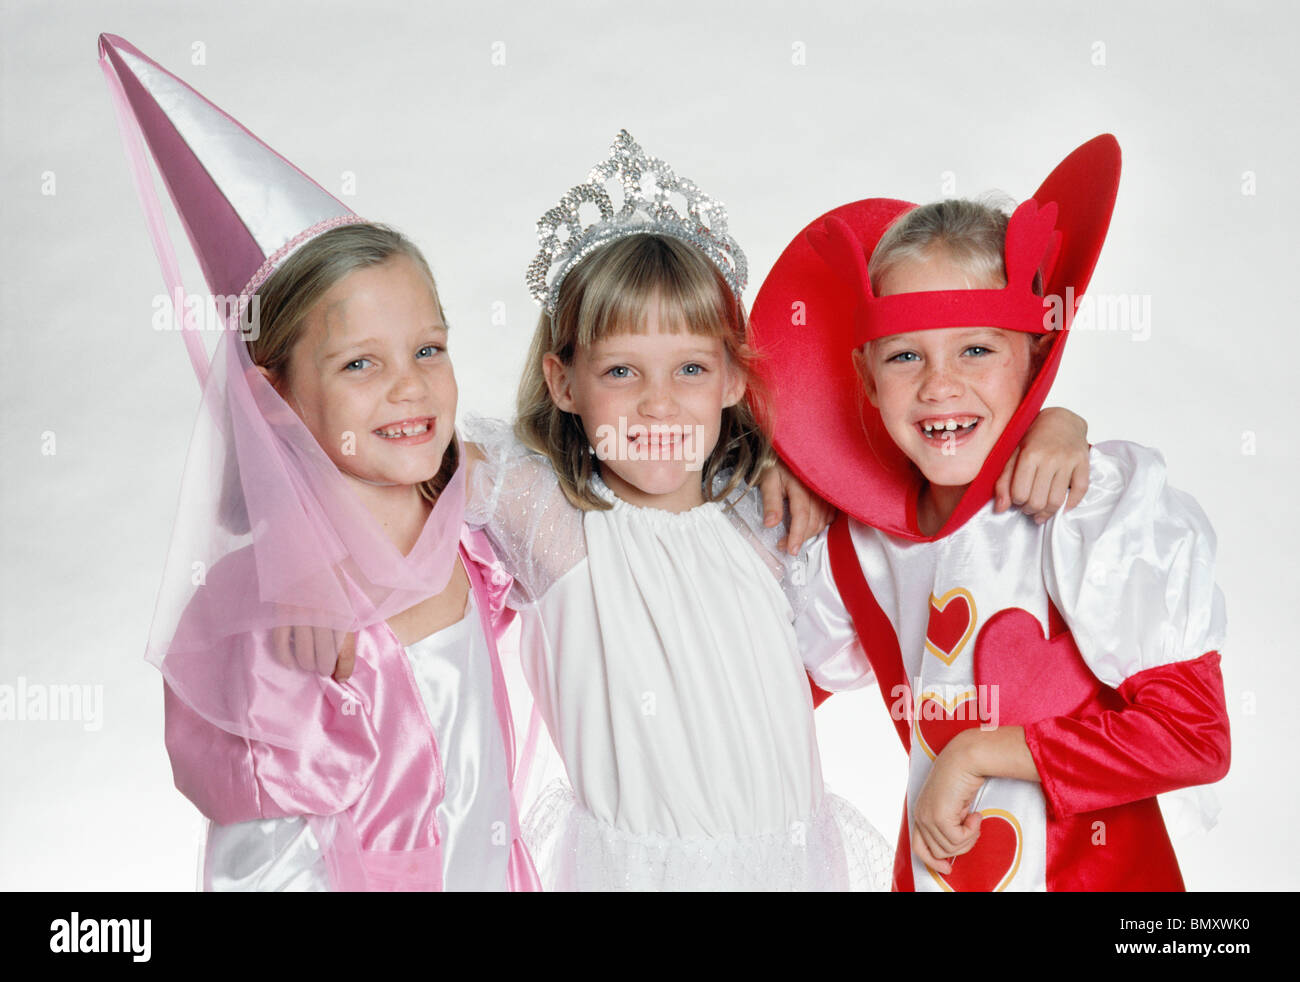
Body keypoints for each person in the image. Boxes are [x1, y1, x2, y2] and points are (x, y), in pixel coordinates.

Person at [451, 131, 1094, 890]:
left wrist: (1055, 421)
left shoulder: (770, 519)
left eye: (691, 368)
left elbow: (933, 457)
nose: (659, 402)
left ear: (732, 378)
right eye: (620, 371)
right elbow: (389, 461)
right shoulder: (546, 515)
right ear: (563, 384)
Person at [101, 34, 537, 890]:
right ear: (273, 397)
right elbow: (262, 870)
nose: (410, 389)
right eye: (359, 364)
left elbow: (594, 473)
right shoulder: (274, 625)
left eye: (428, 349)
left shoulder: (471, 528)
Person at [753, 135, 1231, 891]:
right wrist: (790, 460)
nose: (940, 385)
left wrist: (976, 751)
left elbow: (1193, 737)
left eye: (976, 349)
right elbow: (751, 690)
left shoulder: (1083, 506)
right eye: (906, 355)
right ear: (865, 379)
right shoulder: (854, 551)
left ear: (1034, 356)